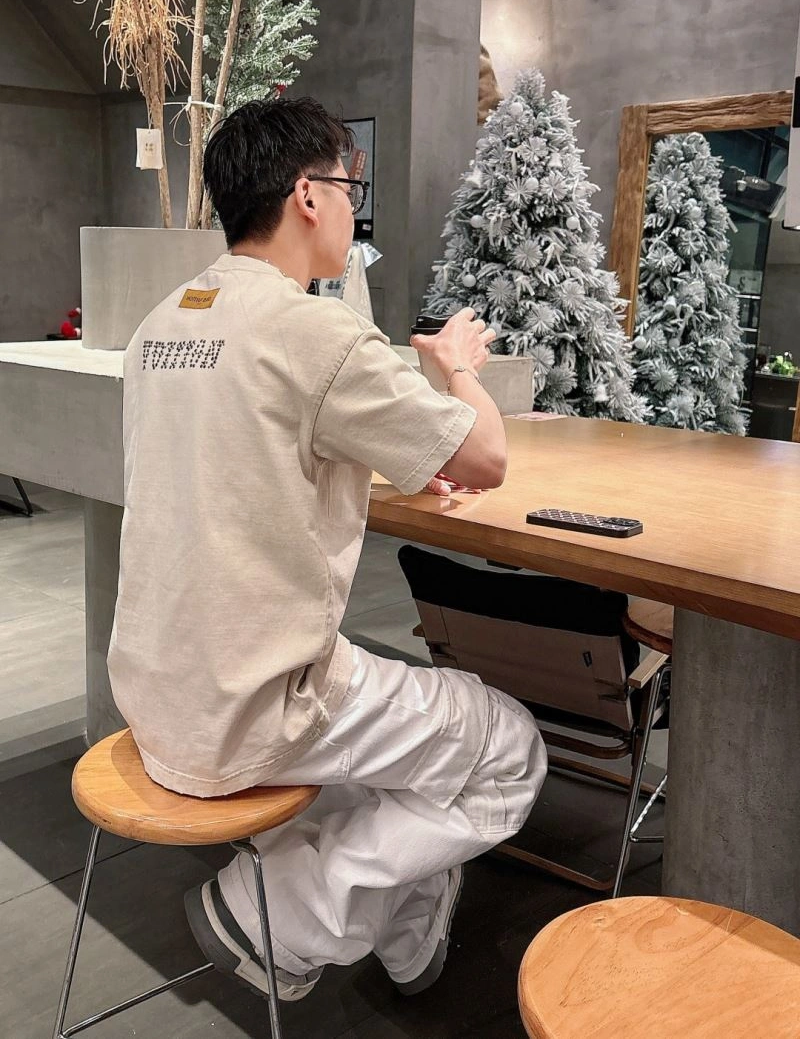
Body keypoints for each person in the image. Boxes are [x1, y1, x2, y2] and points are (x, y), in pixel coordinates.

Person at [107, 97, 547, 1003]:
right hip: (256, 702)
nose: (355, 210)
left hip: (154, 686)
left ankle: (408, 944)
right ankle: (280, 911)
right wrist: (456, 365)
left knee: (410, 771)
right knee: (507, 746)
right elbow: (486, 457)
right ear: (308, 195)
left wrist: (393, 463)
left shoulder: (162, 326)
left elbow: (247, 459)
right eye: (351, 189)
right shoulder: (314, 329)